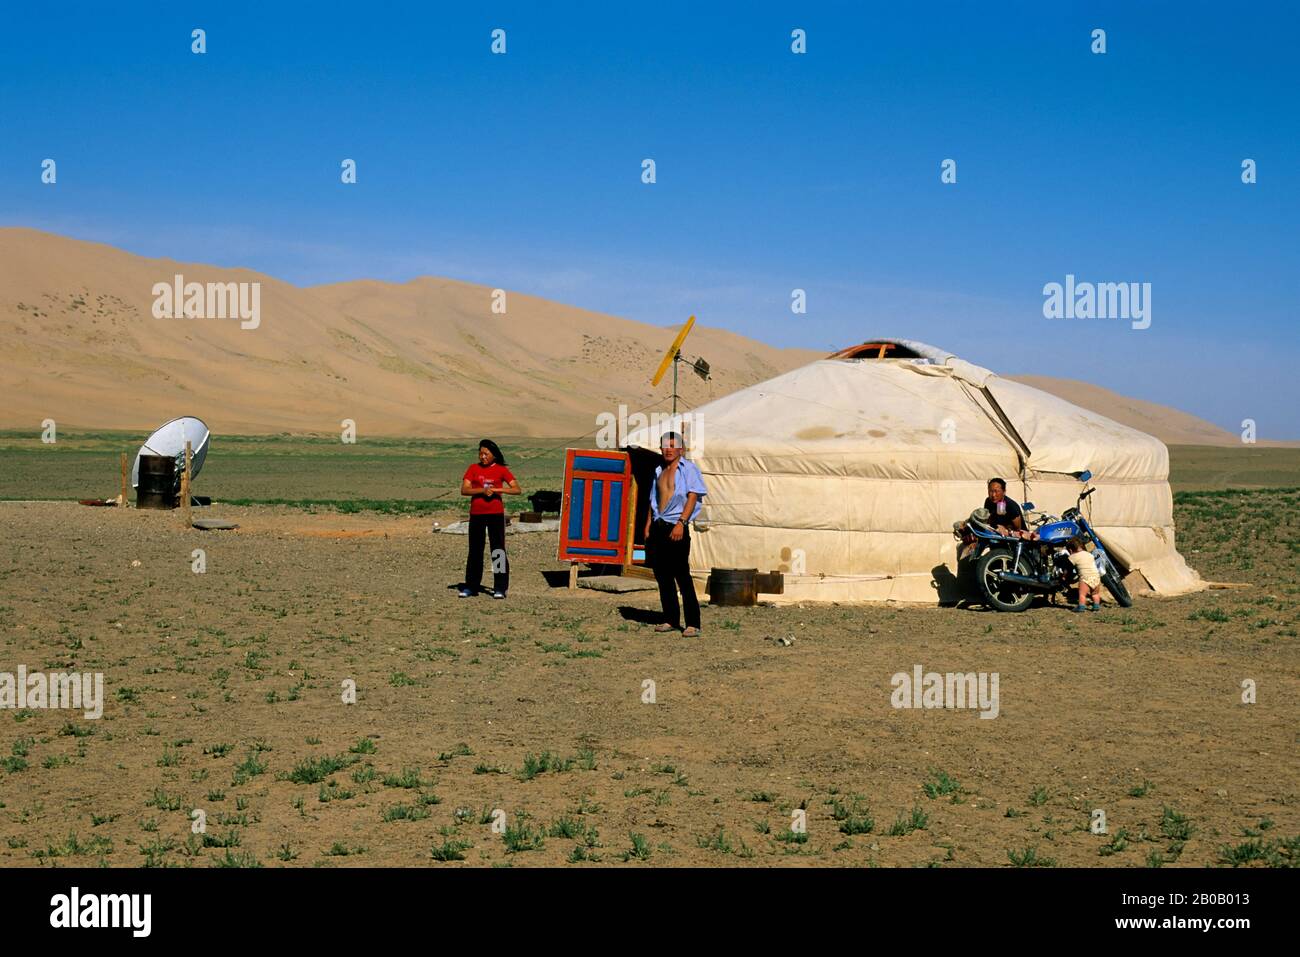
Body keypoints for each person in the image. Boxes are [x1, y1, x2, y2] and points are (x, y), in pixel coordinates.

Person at [643, 431, 708, 637]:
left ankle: (693, 623)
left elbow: (693, 496)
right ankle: (670, 618)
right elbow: (653, 500)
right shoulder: (658, 470)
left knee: (681, 574)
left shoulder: (688, 469)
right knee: (662, 575)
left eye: (673, 446)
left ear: (681, 448)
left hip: (676, 525)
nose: (668, 449)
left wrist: (682, 522)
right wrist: (647, 525)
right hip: (658, 525)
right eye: (665, 446)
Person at [459, 439, 520, 598]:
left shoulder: (501, 470)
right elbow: (464, 489)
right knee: (475, 550)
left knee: (498, 550)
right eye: (480, 453)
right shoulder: (473, 468)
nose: (482, 456)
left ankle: (500, 587)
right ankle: (471, 586)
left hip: (495, 515)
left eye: (486, 454)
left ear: (494, 455)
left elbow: (516, 489)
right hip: (477, 514)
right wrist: (481, 490)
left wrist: (497, 490)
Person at [1067, 538, 1102, 612]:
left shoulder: (1073, 557)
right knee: (1095, 594)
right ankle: (1096, 606)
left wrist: (1064, 575)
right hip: (1096, 576)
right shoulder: (1089, 554)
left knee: (1082, 594)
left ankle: (1081, 607)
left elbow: (1068, 568)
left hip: (1085, 578)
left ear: (1070, 550)